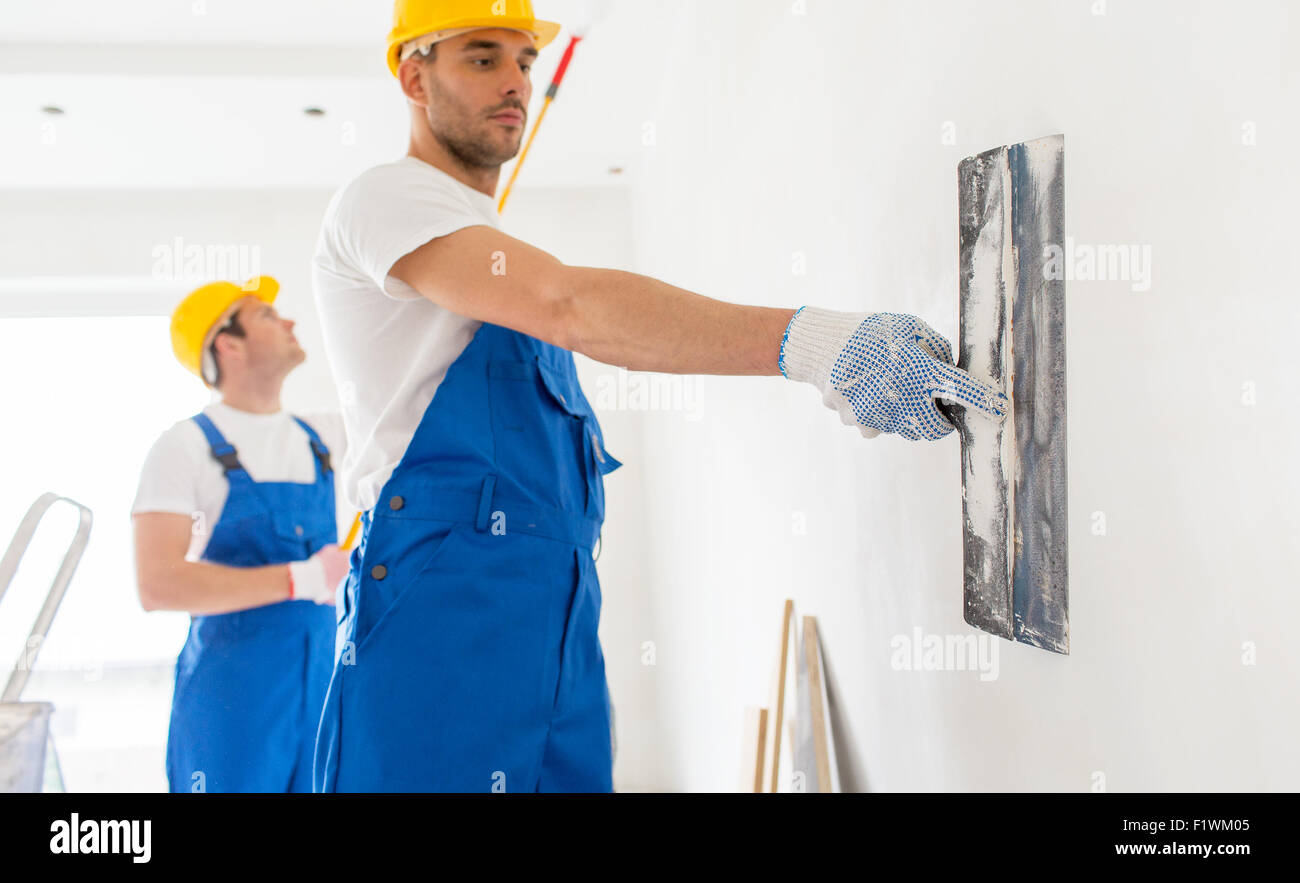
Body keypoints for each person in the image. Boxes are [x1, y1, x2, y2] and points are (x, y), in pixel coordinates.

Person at [311, 0, 1007, 793]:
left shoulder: (485, 247)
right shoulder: (386, 198)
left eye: (525, 61)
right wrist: (819, 345)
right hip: (438, 612)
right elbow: (570, 305)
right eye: (482, 57)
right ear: (413, 73)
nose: (515, 81)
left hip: (555, 612)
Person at [131, 276, 351, 792]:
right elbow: (158, 583)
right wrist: (299, 577)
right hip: (232, 705)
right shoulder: (184, 446)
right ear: (227, 344)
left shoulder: (326, 438)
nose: (291, 321)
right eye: (268, 316)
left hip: (319, 691)